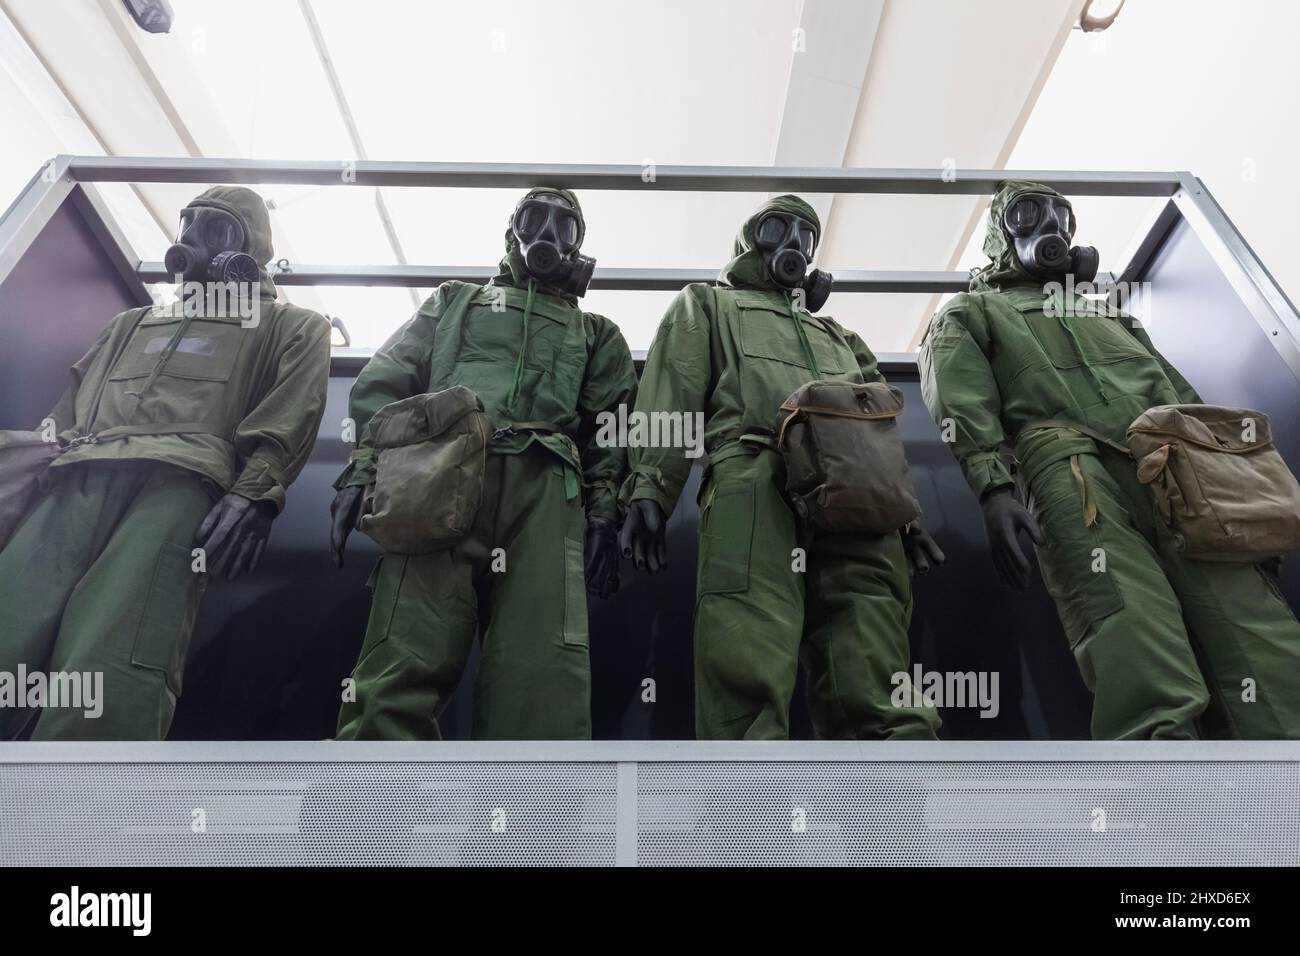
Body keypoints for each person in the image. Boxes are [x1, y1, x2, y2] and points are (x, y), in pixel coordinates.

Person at [619, 195, 942, 741]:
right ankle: (745, 816)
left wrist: (906, 516)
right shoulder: (708, 305)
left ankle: (896, 815)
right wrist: (651, 484)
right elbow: (672, 389)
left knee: (873, 654)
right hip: (753, 469)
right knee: (746, 644)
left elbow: (880, 427)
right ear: (750, 240)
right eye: (777, 228)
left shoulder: (840, 336)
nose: (793, 244)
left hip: (856, 490)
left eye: (807, 237)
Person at [331, 187, 636, 741]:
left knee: (542, 674)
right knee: (403, 653)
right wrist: (364, 467)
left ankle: (530, 826)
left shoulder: (596, 333)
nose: (545, 233)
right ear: (512, 230)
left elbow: (610, 430)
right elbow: (385, 378)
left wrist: (603, 513)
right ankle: (365, 821)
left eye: (563, 226)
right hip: (438, 474)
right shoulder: (456, 301)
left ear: (577, 245)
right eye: (532, 218)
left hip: (546, 489)